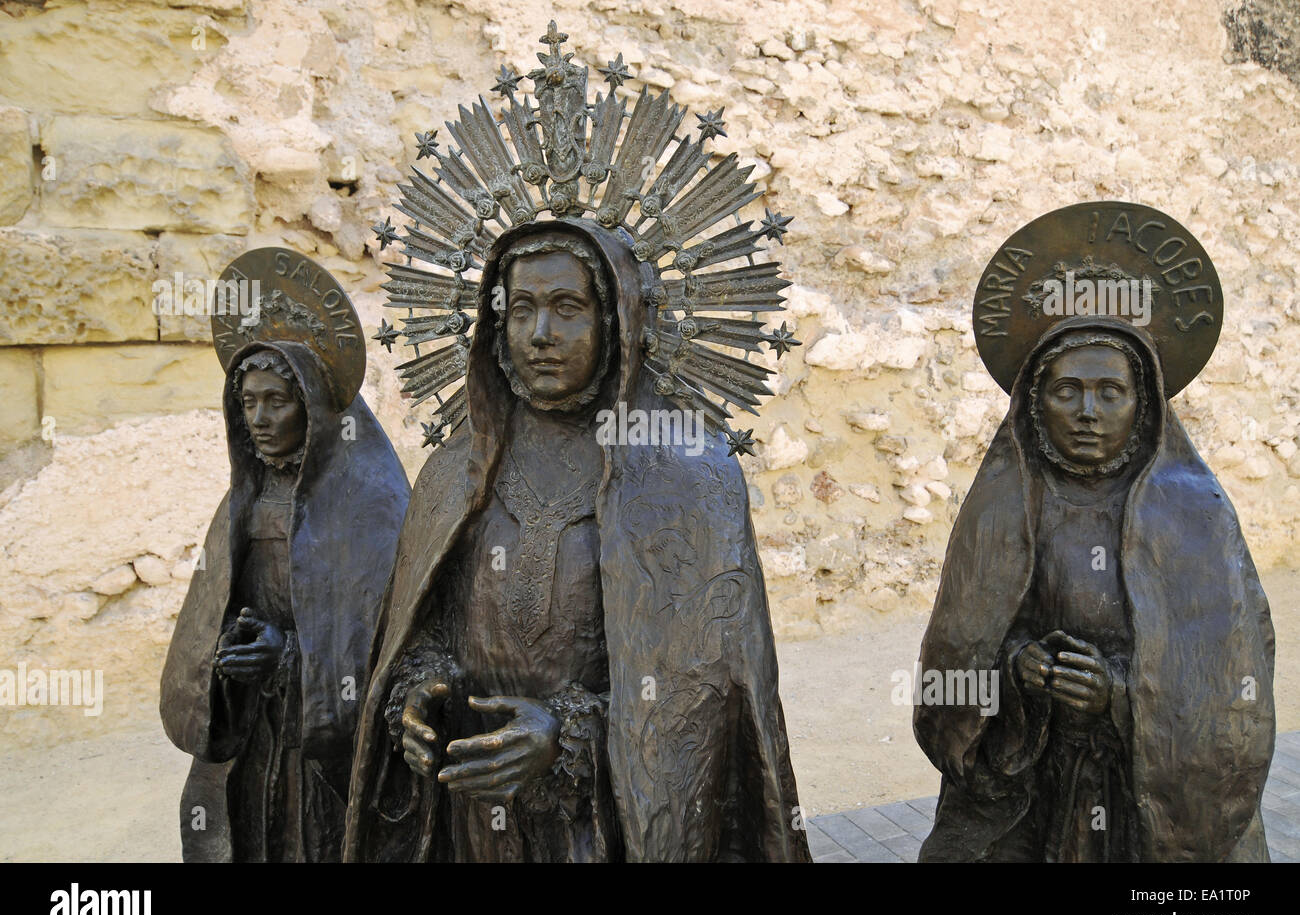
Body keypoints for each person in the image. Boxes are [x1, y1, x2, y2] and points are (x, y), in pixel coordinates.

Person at [344, 220, 810, 862]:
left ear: (615, 321)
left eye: (568, 308)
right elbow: (426, 627)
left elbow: (701, 693)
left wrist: (566, 735)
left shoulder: (685, 472)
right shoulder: (456, 473)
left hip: (606, 823)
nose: (541, 335)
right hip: (475, 809)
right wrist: (421, 692)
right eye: (522, 309)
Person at [914, 315, 1275, 862]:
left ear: (1143, 403)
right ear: (1036, 403)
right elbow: (960, 649)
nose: (1088, 413)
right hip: (1032, 777)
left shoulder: (1195, 512)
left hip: (1142, 790)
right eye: (1066, 391)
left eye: (1111, 392)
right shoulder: (1003, 505)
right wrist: (1016, 668)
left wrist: (1122, 693)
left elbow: (1231, 677)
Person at [161, 329, 409, 862]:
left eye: (277, 401)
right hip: (251, 719)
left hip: (320, 730)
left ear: (314, 408)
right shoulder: (242, 501)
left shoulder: (369, 501)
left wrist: (292, 654)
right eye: (248, 402)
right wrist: (229, 649)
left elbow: (386, 634)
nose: (260, 418)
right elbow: (210, 610)